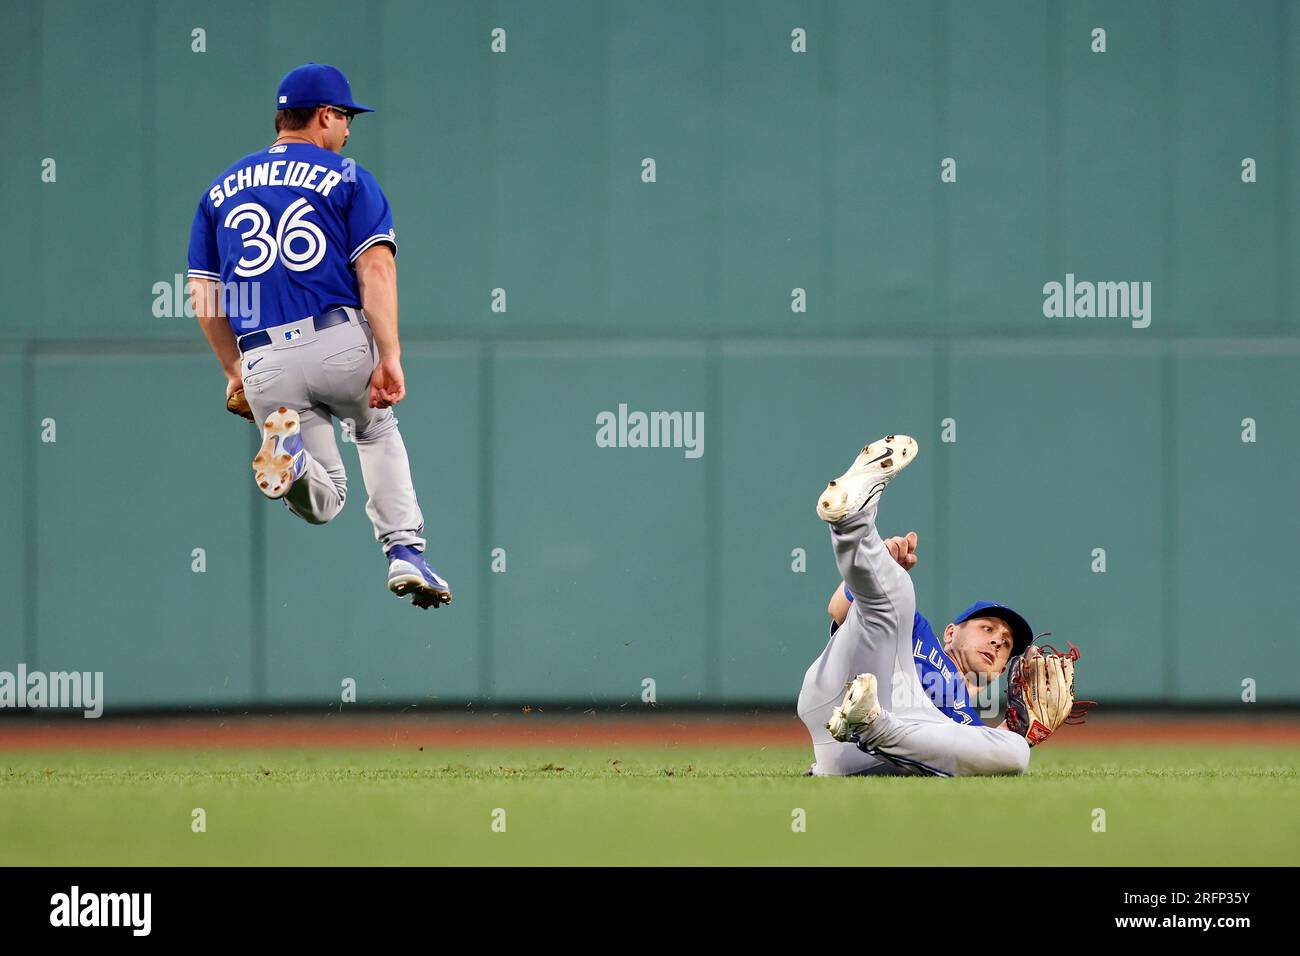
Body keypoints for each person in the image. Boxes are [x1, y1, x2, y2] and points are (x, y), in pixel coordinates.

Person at [186, 62, 451, 609]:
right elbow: (375, 270)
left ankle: (297, 464)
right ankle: (404, 550)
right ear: (325, 115)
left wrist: (234, 371)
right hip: (336, 340)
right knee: (375, 430)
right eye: (346, 117)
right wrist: (392, 354)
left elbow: (203, 294)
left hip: (263, 360)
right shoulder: (349, 176)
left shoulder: (218, 190)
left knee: (323, 503)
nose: (349, 130)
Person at [797, 434, 1041, 776]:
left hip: (859, 749)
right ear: (952, 633)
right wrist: (883, 564)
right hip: (843, 688)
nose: (998, 641)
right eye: (988, 628)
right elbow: (839, 610)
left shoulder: (968, 721)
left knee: (1016, 753)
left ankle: (871, 725)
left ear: (1002, 671)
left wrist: (1024, 729)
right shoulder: (917, 631)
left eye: (1007, 643)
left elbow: (979, 751)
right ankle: (854, 521)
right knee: (898, 591)